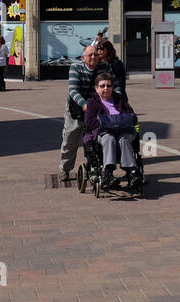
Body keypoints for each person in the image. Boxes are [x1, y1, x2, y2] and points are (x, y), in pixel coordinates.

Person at [83, 74, 140, 190]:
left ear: (112, 87)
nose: (106, 88)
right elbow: (89, 122)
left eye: (108, 85)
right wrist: (109, 123)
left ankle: (132, 171)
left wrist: (113, 121)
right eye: (102, 86)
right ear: (96, 88)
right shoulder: (92, 103)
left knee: (124, 139)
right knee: (109, 138)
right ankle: (108, 173)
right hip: (103, 133)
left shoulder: (120, 100)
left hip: (123, 131)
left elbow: (133, 117)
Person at [60, 43, 105, 182]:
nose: (93, 57)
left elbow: (112, 85)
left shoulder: (103, 67)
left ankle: (96, 168)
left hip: (96, 108)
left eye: (96, 55)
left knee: (98, 138)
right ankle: (65, 169)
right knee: (70, 139)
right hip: (77, 107)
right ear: (83, 57)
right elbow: (73, 90)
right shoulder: (76, 67)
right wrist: (85, 105)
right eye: (90, 55)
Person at [97, 39, 128, 104]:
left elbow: (121, 82)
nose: (99, 51)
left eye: (101, 49)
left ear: (108, 49)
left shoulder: (116, 63)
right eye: (98, 49)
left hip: (115, 96)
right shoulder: (97, 63)